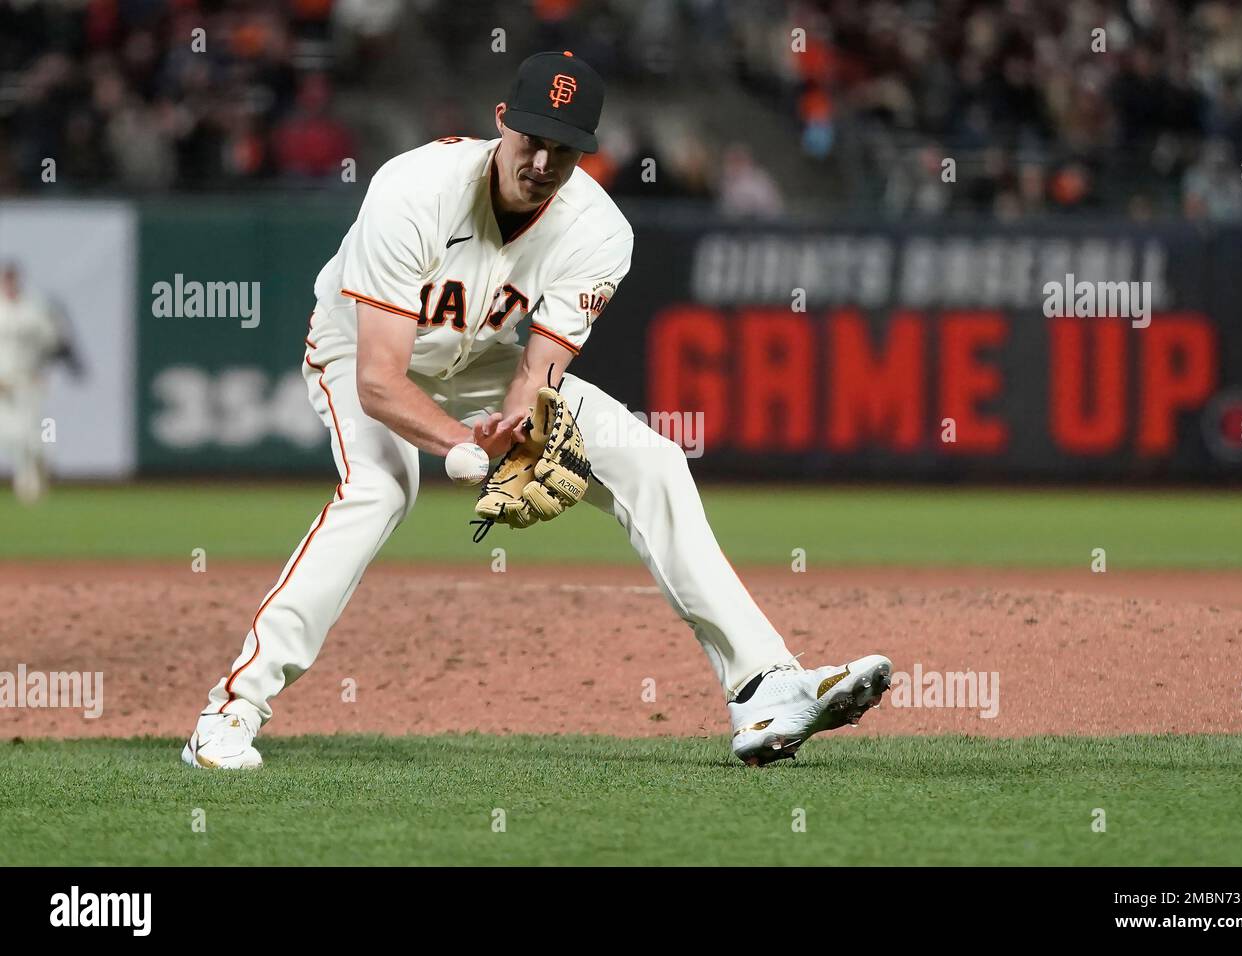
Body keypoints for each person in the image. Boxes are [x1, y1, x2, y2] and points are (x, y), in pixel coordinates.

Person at [181, 52, 891, 770]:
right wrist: (462, 445)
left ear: (589, 152)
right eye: (532, 139)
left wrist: (517, 431)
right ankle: (230, 711)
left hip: (481, 362)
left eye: (565, 147)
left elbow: (537, 374)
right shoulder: (413, 190)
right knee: (381, 488)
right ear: (501, 125)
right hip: (354, 349)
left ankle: (762, 687)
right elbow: (378, 381)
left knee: (651, 459)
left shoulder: (600, 231)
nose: (543, 159)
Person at [0, 264, 65, 504]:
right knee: (11, 434)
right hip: (3, 381)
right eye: (5, 280)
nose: (9, 284)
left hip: (28, 379)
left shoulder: (33, 309)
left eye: (12, 279)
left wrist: (42, 370)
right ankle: (34, 468)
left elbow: (52, 342)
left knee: (36, 430)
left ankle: (33, 475)